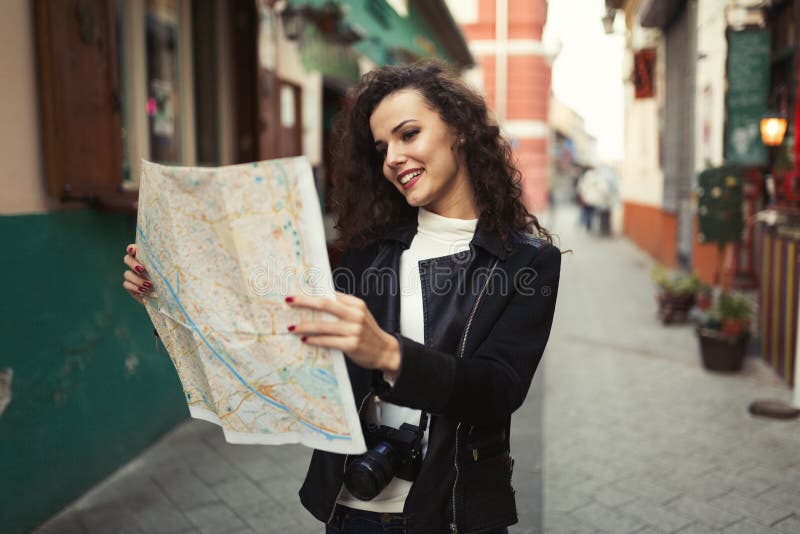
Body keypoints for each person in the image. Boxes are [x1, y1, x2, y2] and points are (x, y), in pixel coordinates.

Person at [122, 60, 560, 534]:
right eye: (382, 147)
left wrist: (390, 354)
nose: (392, 157)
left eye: (408, 134)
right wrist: (170, 294)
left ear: (458, 130)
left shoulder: (527, 262)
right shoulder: (366, 252)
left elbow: (498, 390)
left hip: (453, 515)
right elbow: (280, 345)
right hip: (352, 511)